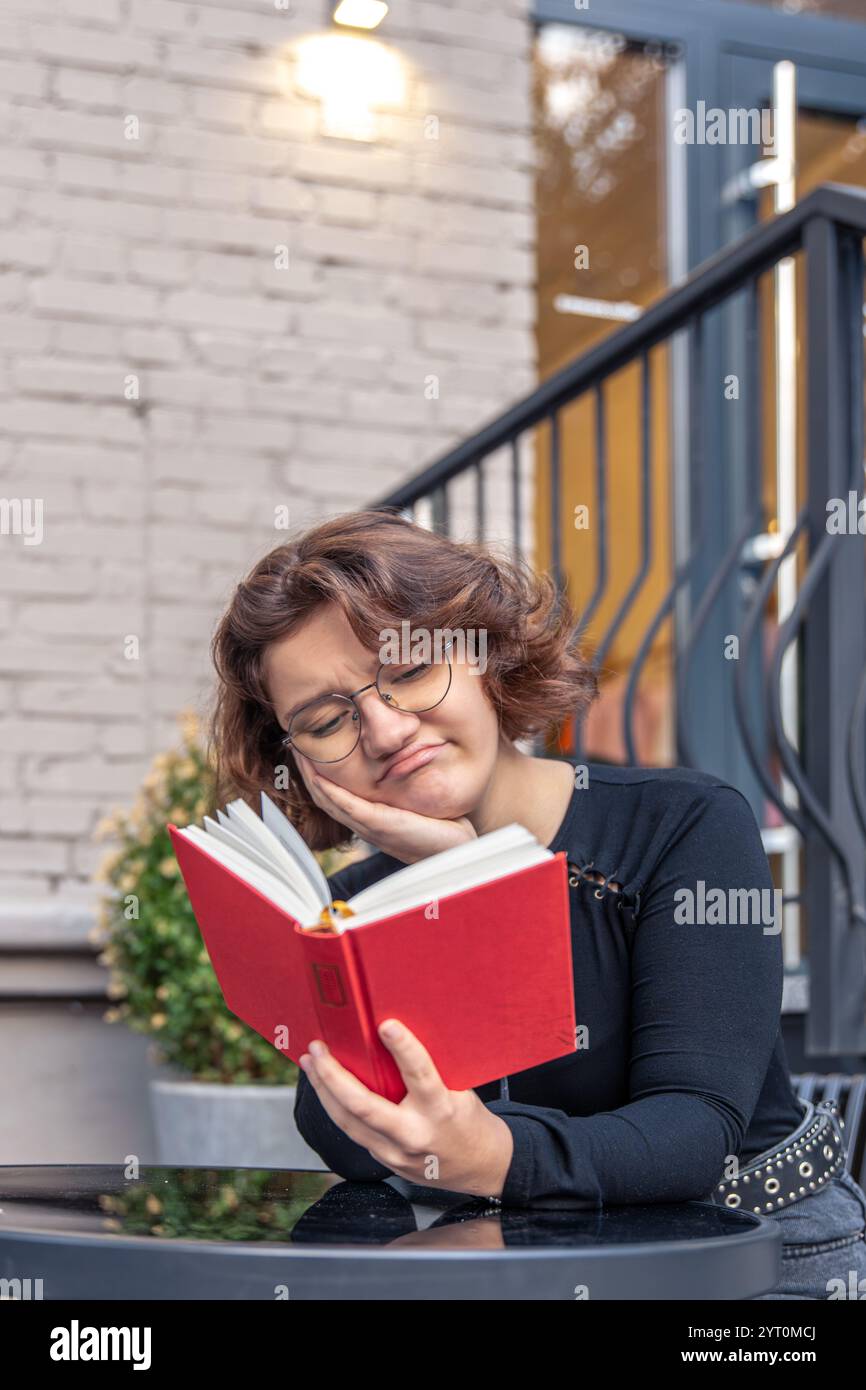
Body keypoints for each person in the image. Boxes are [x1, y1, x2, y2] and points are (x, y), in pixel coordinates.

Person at [210, 508, 866, 1299]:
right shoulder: (356, 903)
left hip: (756, 1256)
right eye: (324, 721)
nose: (384, 731)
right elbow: (347, 1143)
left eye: (410, 671)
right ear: (298, 758)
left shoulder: (684, 825)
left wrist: (483, 883)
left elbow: (693, 1133)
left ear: (483, 655)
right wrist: (440, 896)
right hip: (528, 1257)